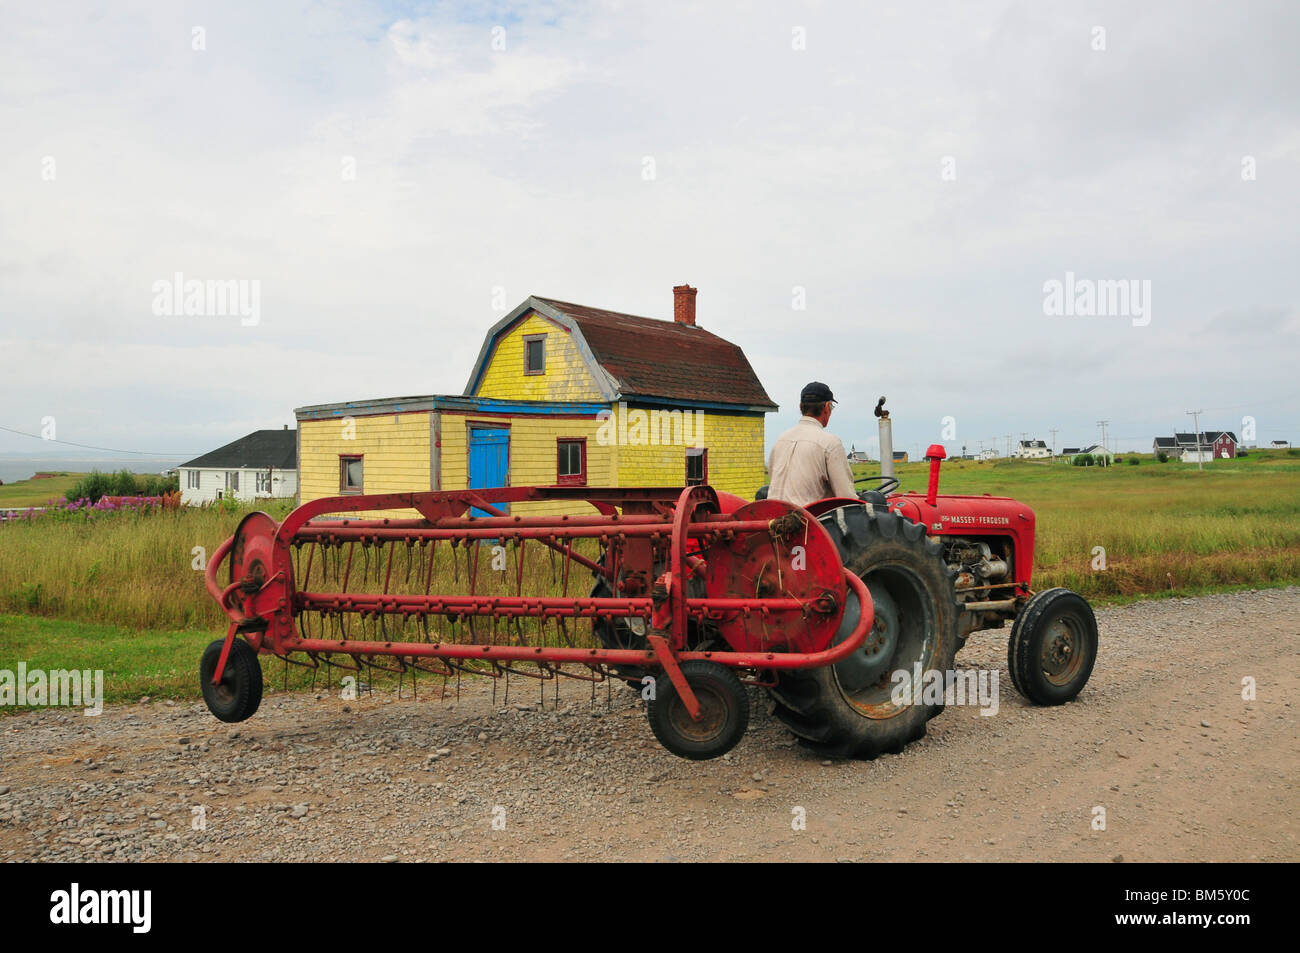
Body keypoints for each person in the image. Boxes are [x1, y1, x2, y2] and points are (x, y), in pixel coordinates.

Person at [767, 381, 856, 506]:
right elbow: (846, 498)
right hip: (807, 521)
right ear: (826, 407)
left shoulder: (781, 440)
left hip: (772, 517)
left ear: (800, 406)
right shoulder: (830, 443)